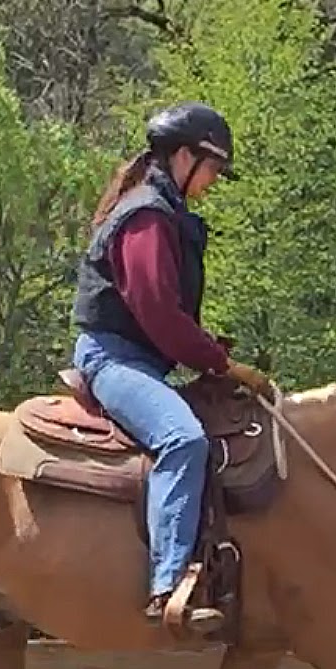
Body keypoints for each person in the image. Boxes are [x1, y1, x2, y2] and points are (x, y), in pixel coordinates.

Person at [70, 101, 274, 630]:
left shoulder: (158, 211)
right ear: (184, 157)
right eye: (211, 169)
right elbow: (158, 310)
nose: (212, 182)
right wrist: (221, 363)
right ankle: (170, 583)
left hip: (142, 361)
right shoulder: (146, 216)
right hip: (114, 359)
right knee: (183, 439)